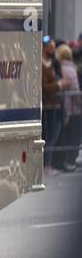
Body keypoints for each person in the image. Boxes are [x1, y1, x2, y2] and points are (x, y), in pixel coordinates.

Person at [56, 43, 80, 173]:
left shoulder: (59, 67)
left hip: (61, 107)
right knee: (72, 136)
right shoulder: (70, 69)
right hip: (72, 109)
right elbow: (75, 90)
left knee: (61, 136)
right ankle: (68, 161)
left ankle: (60, 162)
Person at [43, 38, 63, 173]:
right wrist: (59, 85)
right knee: (47, 136)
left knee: (54, 134)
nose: (53, 50)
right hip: (46, 106)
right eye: (50, 47)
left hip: (56, 104)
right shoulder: (41, 64)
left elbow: (60, 76)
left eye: (54, 47)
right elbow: (44, 86)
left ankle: (49, 164)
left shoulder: (54, 63)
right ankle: (46, 165)